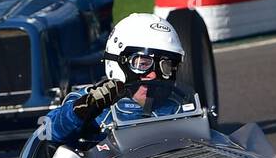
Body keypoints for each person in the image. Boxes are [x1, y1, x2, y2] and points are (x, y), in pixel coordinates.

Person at [44, 13, 186, 146]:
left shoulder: (179, 108)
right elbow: (47, 133)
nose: (153, 75)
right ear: (118, 61)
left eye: (165, 67)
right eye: (142, 64)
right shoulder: (89, 103)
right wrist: (82, 111)